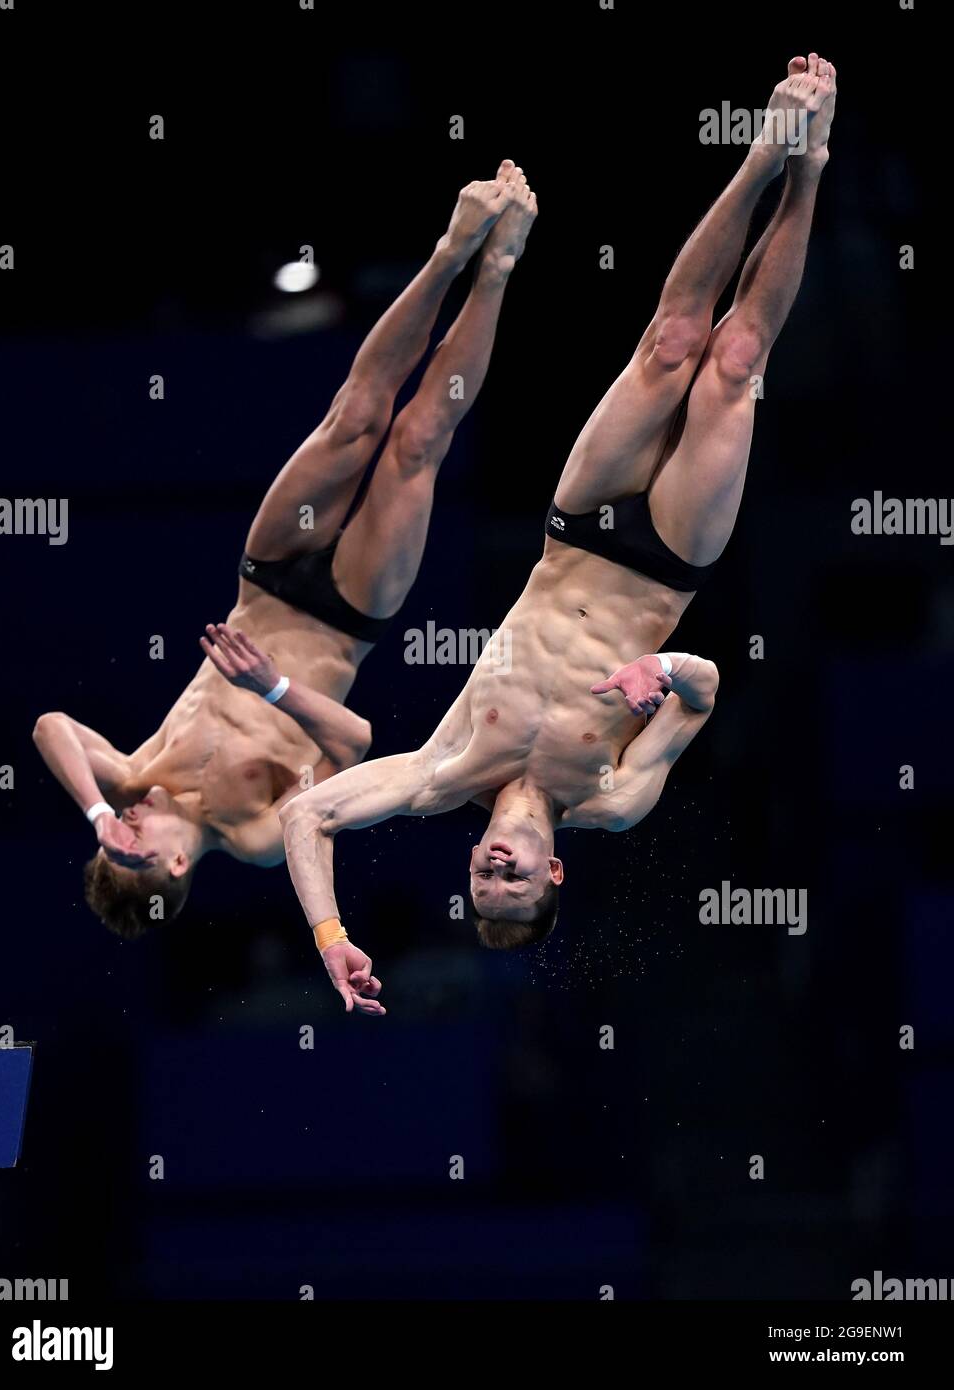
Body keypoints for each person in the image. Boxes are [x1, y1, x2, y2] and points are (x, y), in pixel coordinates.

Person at [279, 56, 836, 1015]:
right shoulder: (613, 799)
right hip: (669, 564)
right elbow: (704, 691)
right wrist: (659, 676)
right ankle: (814, 161)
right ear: (554, 876)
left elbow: (306, 812)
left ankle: (760, 159)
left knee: (669, 343)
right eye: (516, 883)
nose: (497, 868)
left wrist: (330, 939)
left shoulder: (440, 773)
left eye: (483, 880)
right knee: (736, 361)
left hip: (576, 534)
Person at [33, 161, 538, 938]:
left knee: (354, 418)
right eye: (132, 845)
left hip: (266, 579)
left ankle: (451, 248)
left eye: (115, 836)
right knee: (417, 444)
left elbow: (50, 725)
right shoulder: (260, 839)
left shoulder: (136, 773)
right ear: (172, 869)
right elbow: (356, 742)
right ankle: (498, 267)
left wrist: (99, 807)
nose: (128, 826)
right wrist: (273, 689)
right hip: (350, 614)